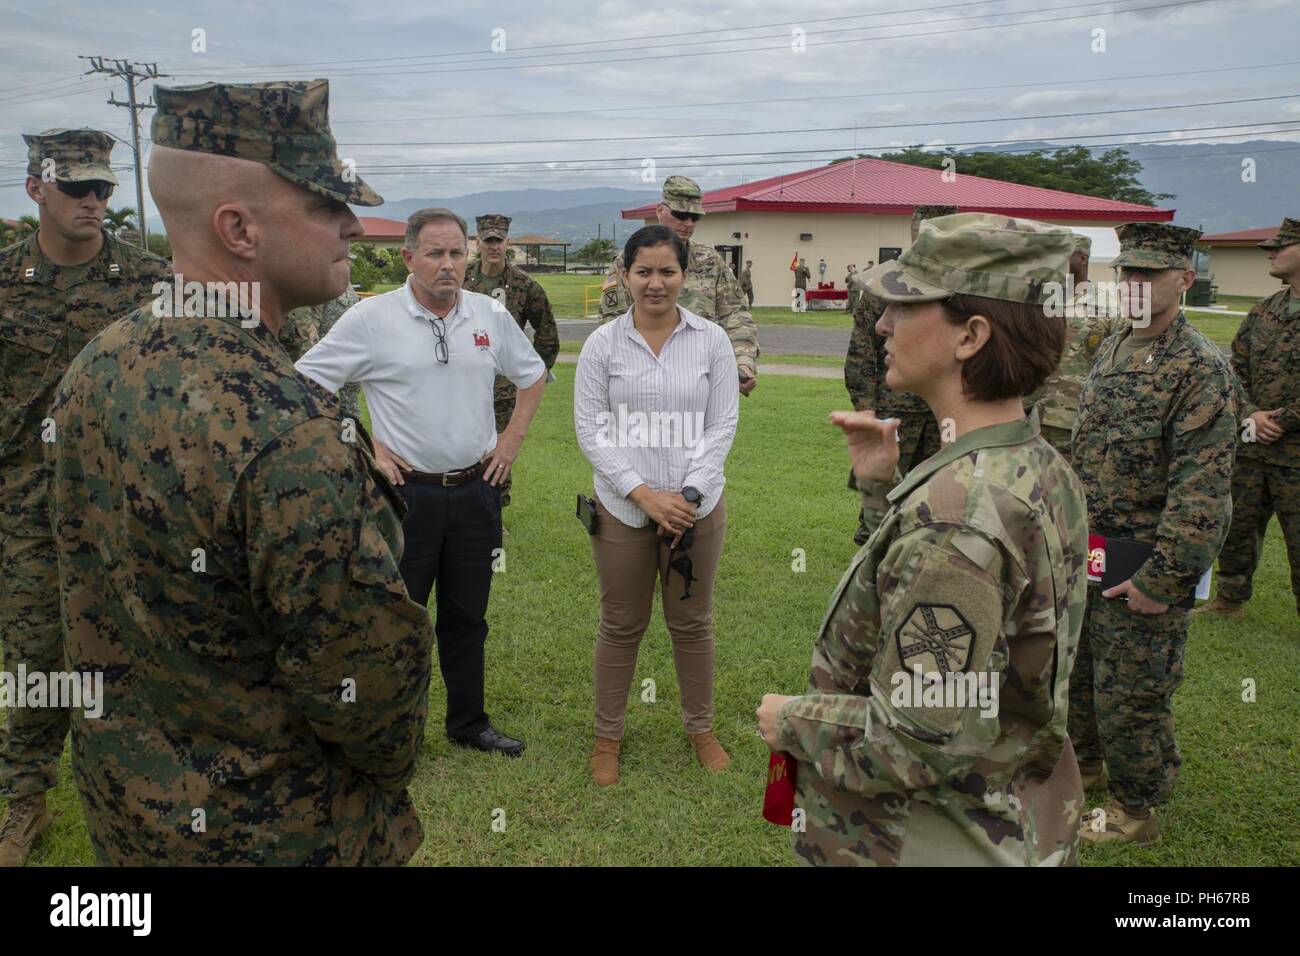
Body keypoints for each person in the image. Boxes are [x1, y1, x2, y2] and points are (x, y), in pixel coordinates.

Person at [45, 79, 435, 865]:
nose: (353, 227)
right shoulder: (288, 430)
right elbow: (367, 692)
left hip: (130, 822)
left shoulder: (94, 366)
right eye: (327, 206)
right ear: (238, 229)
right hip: (279, 834)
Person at [757, 212, 1088, 866]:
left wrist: (789, 719)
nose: (882, 324)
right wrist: (885, 490)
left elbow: (913, 742)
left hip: (929, 837)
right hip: (1006, 815)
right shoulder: (1035, 462)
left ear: (970, 336)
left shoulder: (960, 511)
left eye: (904, 305)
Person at [296, 207, 547, 758]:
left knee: (467, 617)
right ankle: (390, 733)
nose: (448, 264)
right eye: (435, 253)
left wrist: (508, 445)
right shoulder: (371, 320)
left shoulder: (488, 315)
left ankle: (468, 724)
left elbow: (533, 376)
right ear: (409, 257)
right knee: (396, 622)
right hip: (405, 497)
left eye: (457, 252)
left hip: (476, 491)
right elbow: (304, 384)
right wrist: (366, 443)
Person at [0, 128, 170, 866]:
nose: (94, 201)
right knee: (37, 652)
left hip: (122, 506)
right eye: (77, 187)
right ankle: (24, 800)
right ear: (36, 188)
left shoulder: (151, 282)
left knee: (134, 649)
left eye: (103, 188)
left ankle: (141, 794)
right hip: (26, 506)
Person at [1068, 222, 1237, 846]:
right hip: (1092, 551)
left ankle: (1134, 812)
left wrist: (1164, 579)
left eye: (1148, 274)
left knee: (1134, 690)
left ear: (1184, 280)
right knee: (1082, 673)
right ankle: (1082, 769)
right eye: (1126, 273)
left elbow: (1204, 489)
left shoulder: (1198, 367)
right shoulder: (1113, 349)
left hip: (1144, 557)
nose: (1133, 284)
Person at [575, 225, 739, 787]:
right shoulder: (603, 344)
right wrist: (644, 494)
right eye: (643, 271)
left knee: (692, 624)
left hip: (697, 510)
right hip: (623, 510)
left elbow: (722, 425)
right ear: (624, 275)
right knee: (620, 624)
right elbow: (592, 431)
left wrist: (688, 497)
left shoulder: (712, 340)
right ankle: (607, 738)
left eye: (667, 271)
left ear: (684, 277)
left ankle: (701, 729)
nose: (655, 283)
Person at [1196, 217, 1300, 619]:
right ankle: (1229, 599)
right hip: (1254, 443)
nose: (1270, 253)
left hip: (1293, 448)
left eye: (1279, 246)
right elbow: (1234, 368)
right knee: (1239, 524)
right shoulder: (1264, 311)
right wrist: (1252, 413)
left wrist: (1284, 420)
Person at [843, 206, 954, 545]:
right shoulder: (885, 284)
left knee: (937, 491)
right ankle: (874, 549)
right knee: (884, 491)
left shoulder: (958, 287)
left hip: (941, 412)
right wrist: (866, 408)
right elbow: (861, 351)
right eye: (921, 233)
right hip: (895, 411)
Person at [601, 177, 758, 395]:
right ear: (659, 211)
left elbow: (736, 314)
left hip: (704, 378)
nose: (688, 223)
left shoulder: (710, 261)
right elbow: (613, 323)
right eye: (681, 215)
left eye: (695, 217)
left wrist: (743, 361)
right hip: (644, 379)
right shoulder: (628, 262)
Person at [463, 213, 559, 510]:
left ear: (508, 242)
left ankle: (495, 511)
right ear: (478, 243)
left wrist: (531, 377)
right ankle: (462, 505)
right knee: (462, 444)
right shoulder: (461, 278)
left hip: (504, 387)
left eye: (499, 240)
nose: (493, 246)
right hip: (463, 380)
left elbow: (547, 335)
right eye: (487, 240)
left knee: (500, 448)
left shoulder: (524, 285)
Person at [1028, 234, 1128, 456]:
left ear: (1082, 258)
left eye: (1064, 255)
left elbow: (1123, 364)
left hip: (1079, 421)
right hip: (1031, 416)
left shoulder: (1109, 307)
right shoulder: (1040, 300)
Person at [281, 285, 362, 421]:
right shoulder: (324, 284)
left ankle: (350, 438)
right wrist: (311, 349)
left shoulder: (348, 288)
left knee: (351, 403)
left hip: (351, 354)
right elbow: (308, 324)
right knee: (317, 399)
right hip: (326, 355)